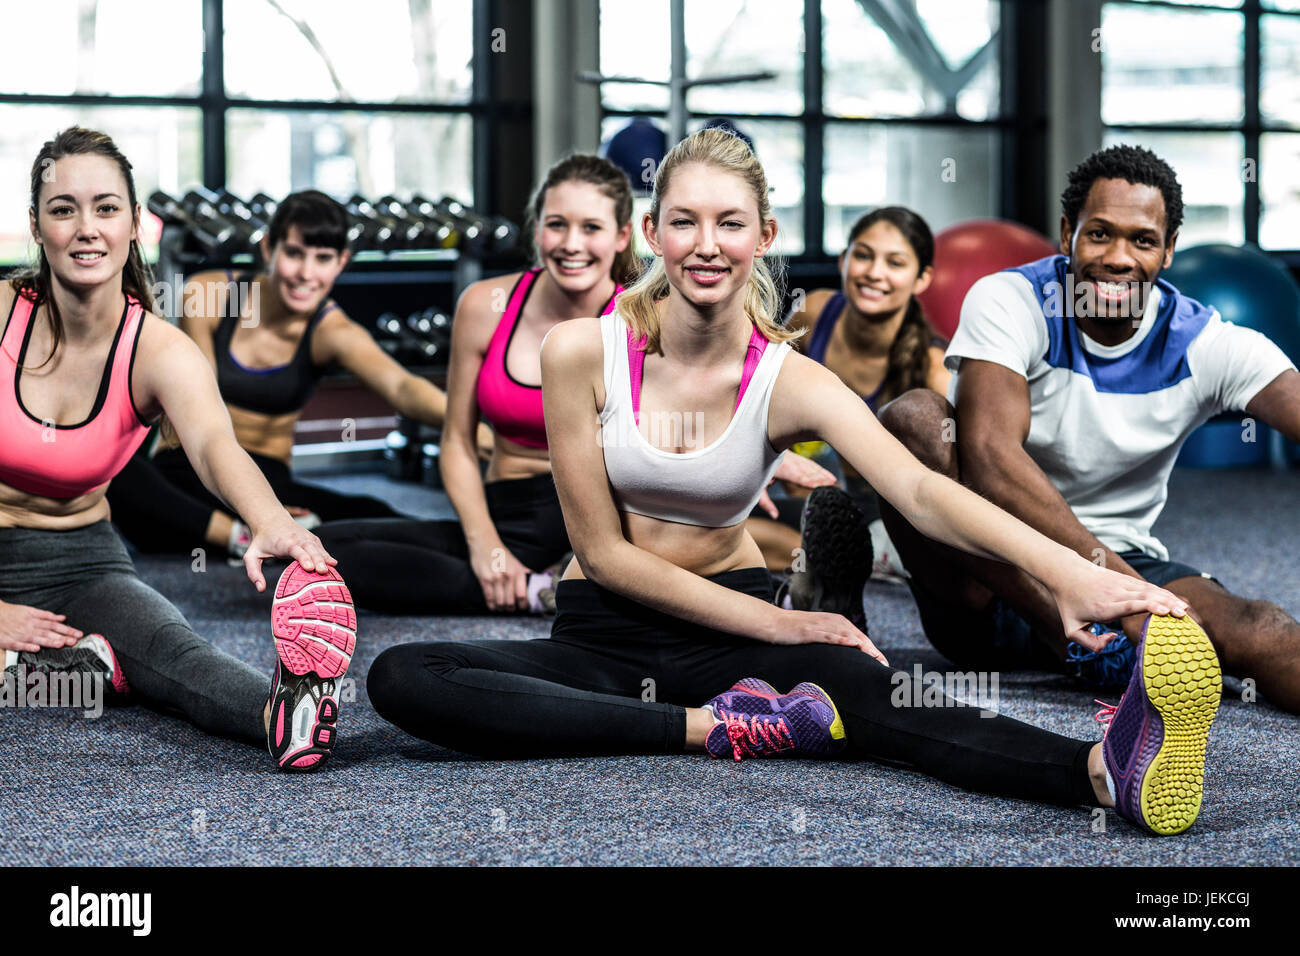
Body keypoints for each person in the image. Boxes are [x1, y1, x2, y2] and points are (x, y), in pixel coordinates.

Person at [366, 129, 1221, 836]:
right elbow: (602, 553)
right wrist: (785, 621)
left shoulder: (787, 379)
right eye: (685, 222)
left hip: (734, 632)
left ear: (764, 236)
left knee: (891, 701)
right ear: (651, 234)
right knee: (407, 675)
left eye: (730, 224)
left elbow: (922, 492)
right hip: (602, 634)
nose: (707, 246)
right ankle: (718, 727)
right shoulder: (580, 354)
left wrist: (1079, 575)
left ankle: (1101, 771)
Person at [878, 143, 1300, 712]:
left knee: (1264, 628)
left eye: (1143, 240)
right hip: (990, 582)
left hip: (1127, 557)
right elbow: (988, 459)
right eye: (1099, 234)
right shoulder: (1014, 300)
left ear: (1169, 251)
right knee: (914, 422)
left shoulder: (1205, 342)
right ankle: (1070, 639)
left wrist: (1129, 590)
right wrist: (1122, 598)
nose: (1119, 257)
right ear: (1066, 233)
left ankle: (1112, 649)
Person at [0, 127, 353, 773]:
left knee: (170, 650)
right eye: (63, 209)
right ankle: (48, 668)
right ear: (36, 224)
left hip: (78, 560)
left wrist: (271, 523)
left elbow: (216, 446)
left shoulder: (159, 351)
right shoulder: (0, 315)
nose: (86, 229)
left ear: (136, 223)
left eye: (106, 208)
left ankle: (288, 714)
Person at [105, 190, 492, 560]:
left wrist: (472, 426)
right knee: (117, 467)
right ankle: (242, 533)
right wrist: (254, 508)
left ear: (341, 262)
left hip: (270, 480)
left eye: (323, 258)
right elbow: (200, 409)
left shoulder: (330, 330)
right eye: (294, 253)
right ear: (268, 249)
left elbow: (402, 386)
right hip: (188, 473)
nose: (306, 273)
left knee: (368, 510)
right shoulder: (210, 295)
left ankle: (480, 548)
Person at [747, 206, 950, 622]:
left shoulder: (933, 365)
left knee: (838, 539)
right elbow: (766, 393)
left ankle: (828, 569)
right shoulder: (816, 311)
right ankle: (814, 569)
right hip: (803, 492)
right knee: (711, 523)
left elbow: (942, 482)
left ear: (922, 278)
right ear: (843, 261)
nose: (874, 272)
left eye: (895, 263)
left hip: (883, 512)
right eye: (863, 255)